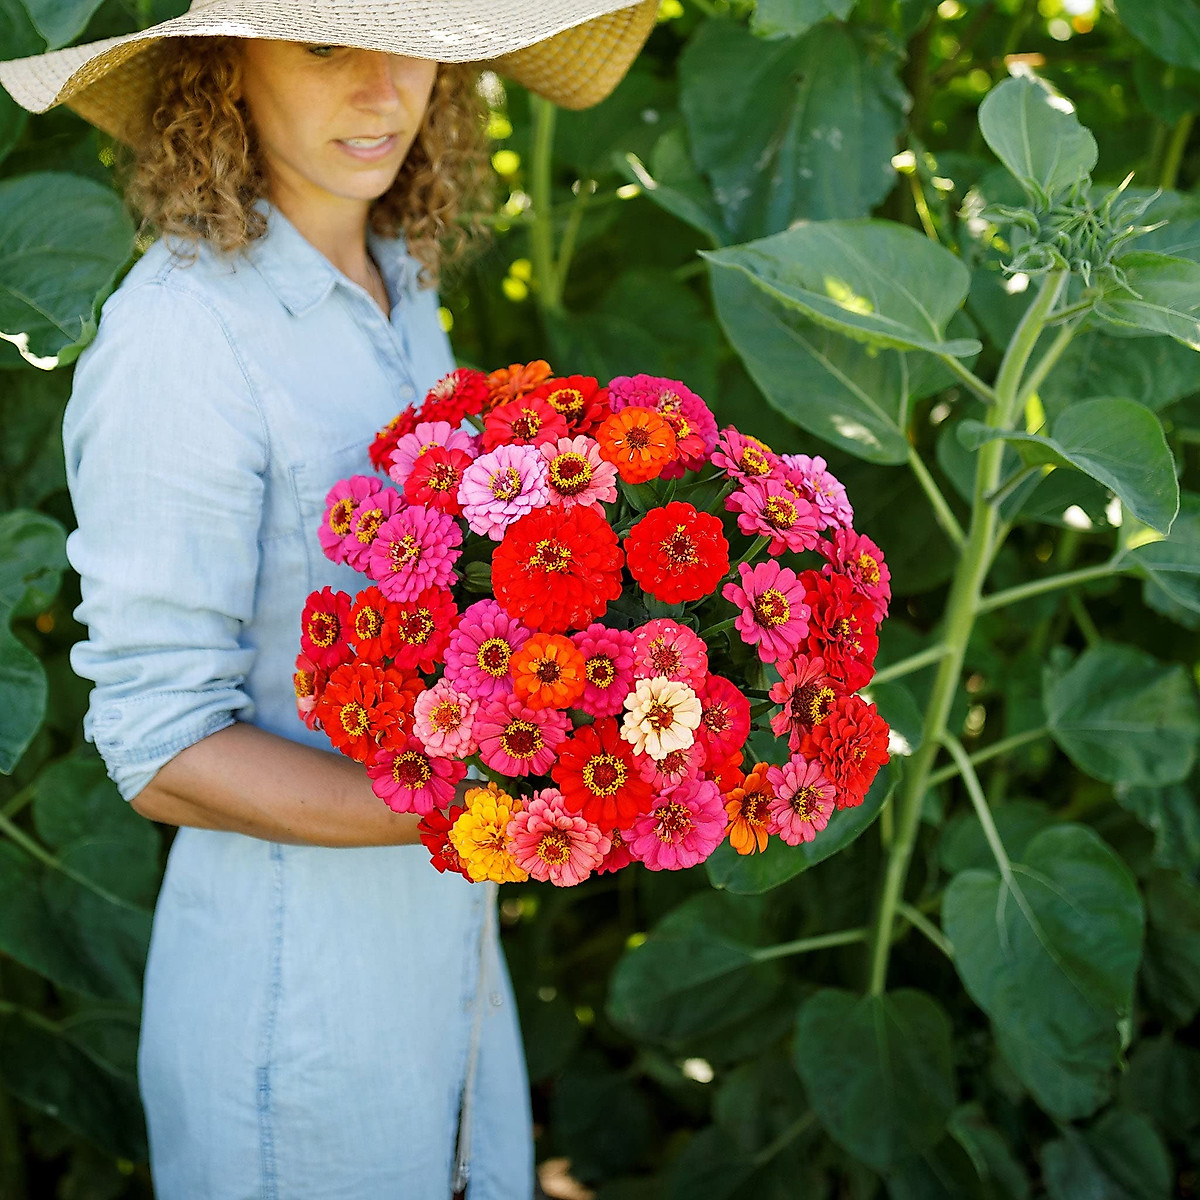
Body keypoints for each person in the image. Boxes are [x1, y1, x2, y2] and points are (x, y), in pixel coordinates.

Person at [0, 3, 658, 1196]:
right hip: (294, 1030)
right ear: (220, 73)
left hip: (448, 984)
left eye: (409, 39)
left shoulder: (398, 282)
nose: (382, 88)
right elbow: (160, 751)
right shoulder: (183, 336)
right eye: (322, 44)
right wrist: (506, 799)